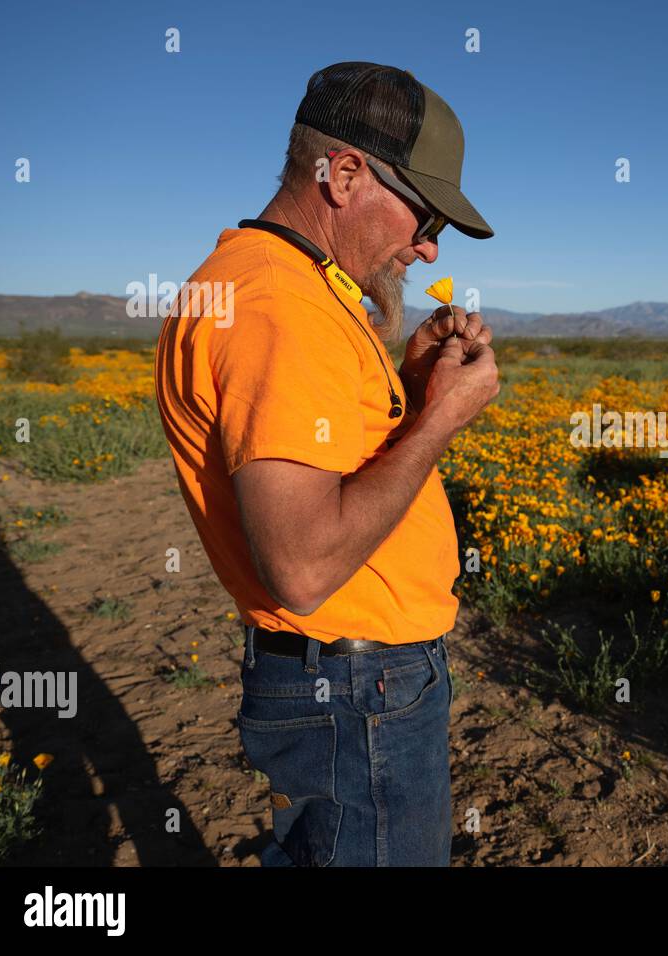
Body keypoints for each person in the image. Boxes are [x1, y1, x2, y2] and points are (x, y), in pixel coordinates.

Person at [153, 61, 500, 866]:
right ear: (344, 174)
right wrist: (442, 421)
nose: (427, 246)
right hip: (357, 693)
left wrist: (412, 396)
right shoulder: (280, 306)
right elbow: (305, 565)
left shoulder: (284, 286)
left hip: (352, 687)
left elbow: (329, 466)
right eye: (424, 214)